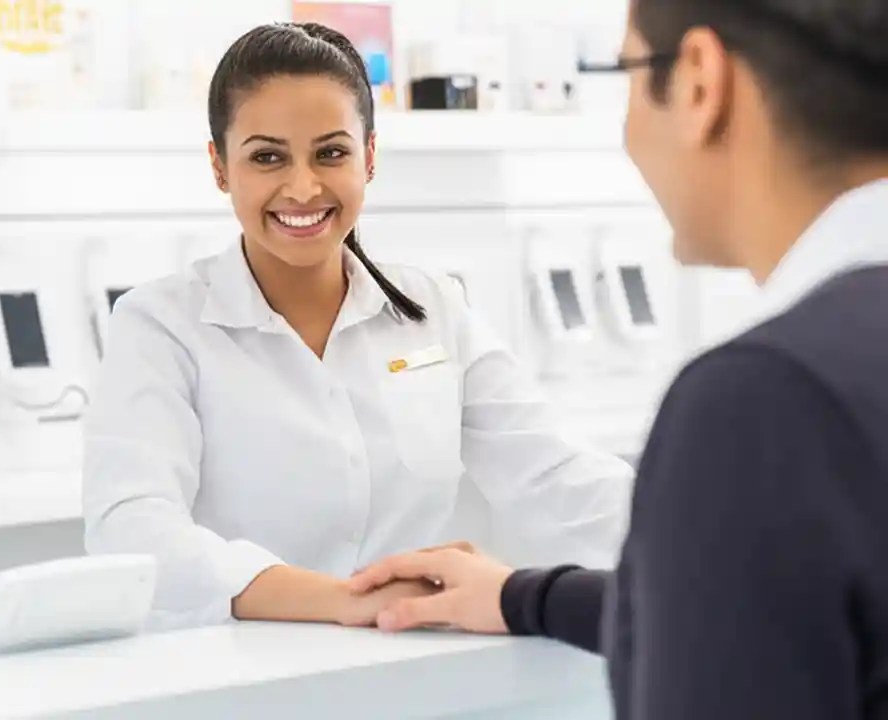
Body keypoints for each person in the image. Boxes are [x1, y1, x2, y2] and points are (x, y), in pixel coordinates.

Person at [351, 0, 888, 717]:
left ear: (700, 82)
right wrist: (526, 596)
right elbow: (763, 604)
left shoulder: (764, 403)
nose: (629, 132)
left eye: (627, 74)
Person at [80, 22, 633, 631]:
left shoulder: (433, 307)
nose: (302, 186)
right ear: (219, 166)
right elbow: (132, 527)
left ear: (369, 157)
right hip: (232, 681)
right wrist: (348, 601)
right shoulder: (160, 326)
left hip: (398, 671)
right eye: (267, 157)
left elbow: (556, 473)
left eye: (331, 152)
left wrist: (713, 536)